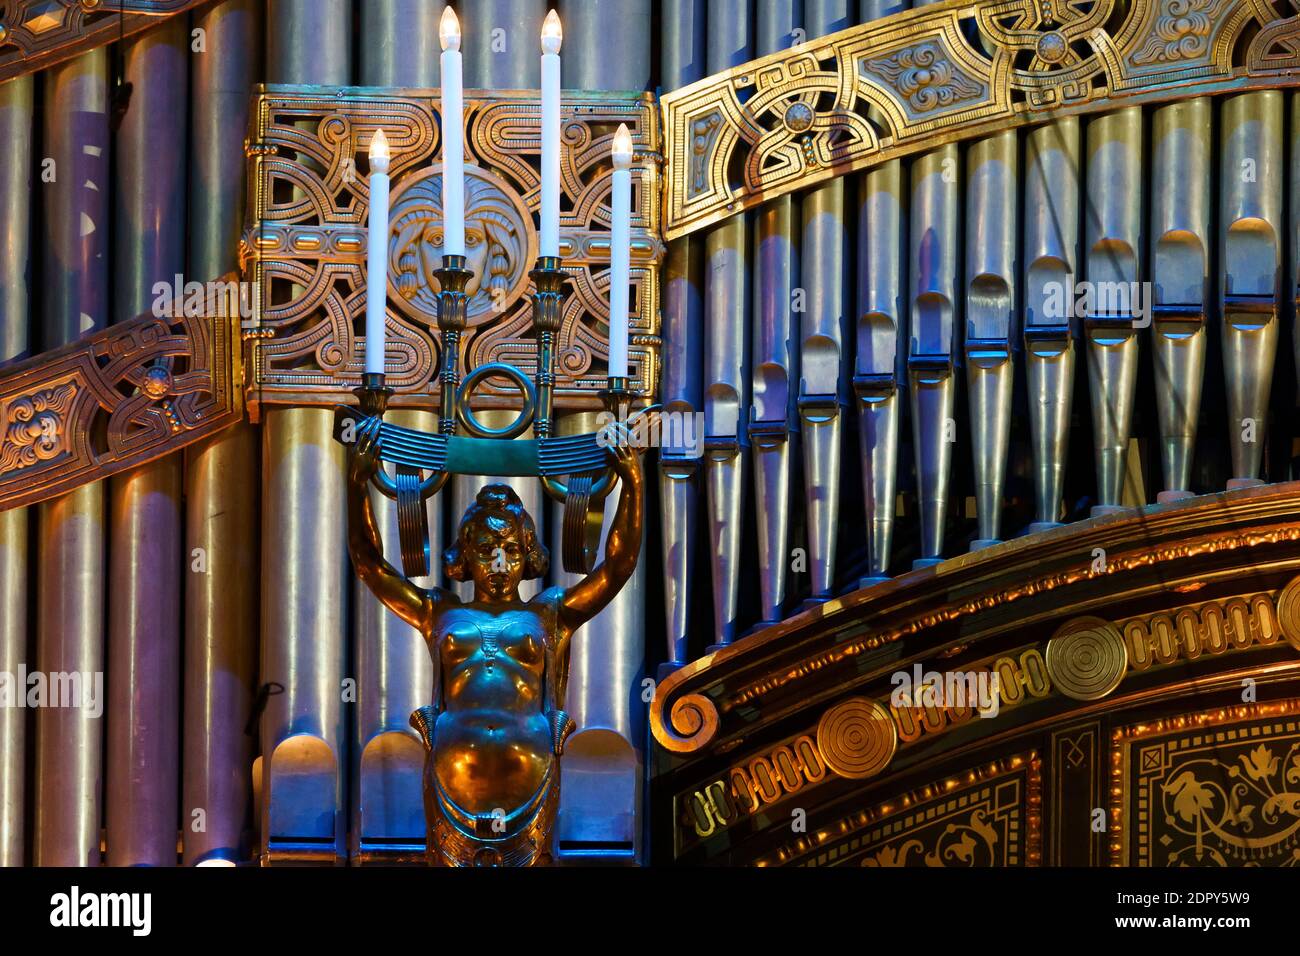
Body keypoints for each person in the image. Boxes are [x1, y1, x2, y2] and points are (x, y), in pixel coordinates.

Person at [345, 417, 643, 865]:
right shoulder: (439, 611)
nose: (499, 562)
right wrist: (357, 485)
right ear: (464, 556)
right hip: (451, 776)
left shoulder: (550, 613)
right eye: (485, 550)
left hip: (532, 776)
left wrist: (634, 485)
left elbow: (618, 565)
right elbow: (370, 566)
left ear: (528, 553)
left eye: (510, 548)